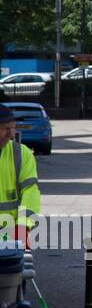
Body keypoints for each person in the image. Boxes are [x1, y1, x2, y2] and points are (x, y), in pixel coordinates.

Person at [0, 105, 39, 247]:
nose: (11, 133)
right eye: (5, 128)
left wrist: (23, 226)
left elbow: (30, 191)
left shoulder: (21, 154)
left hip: (12, 233)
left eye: (13, 127)